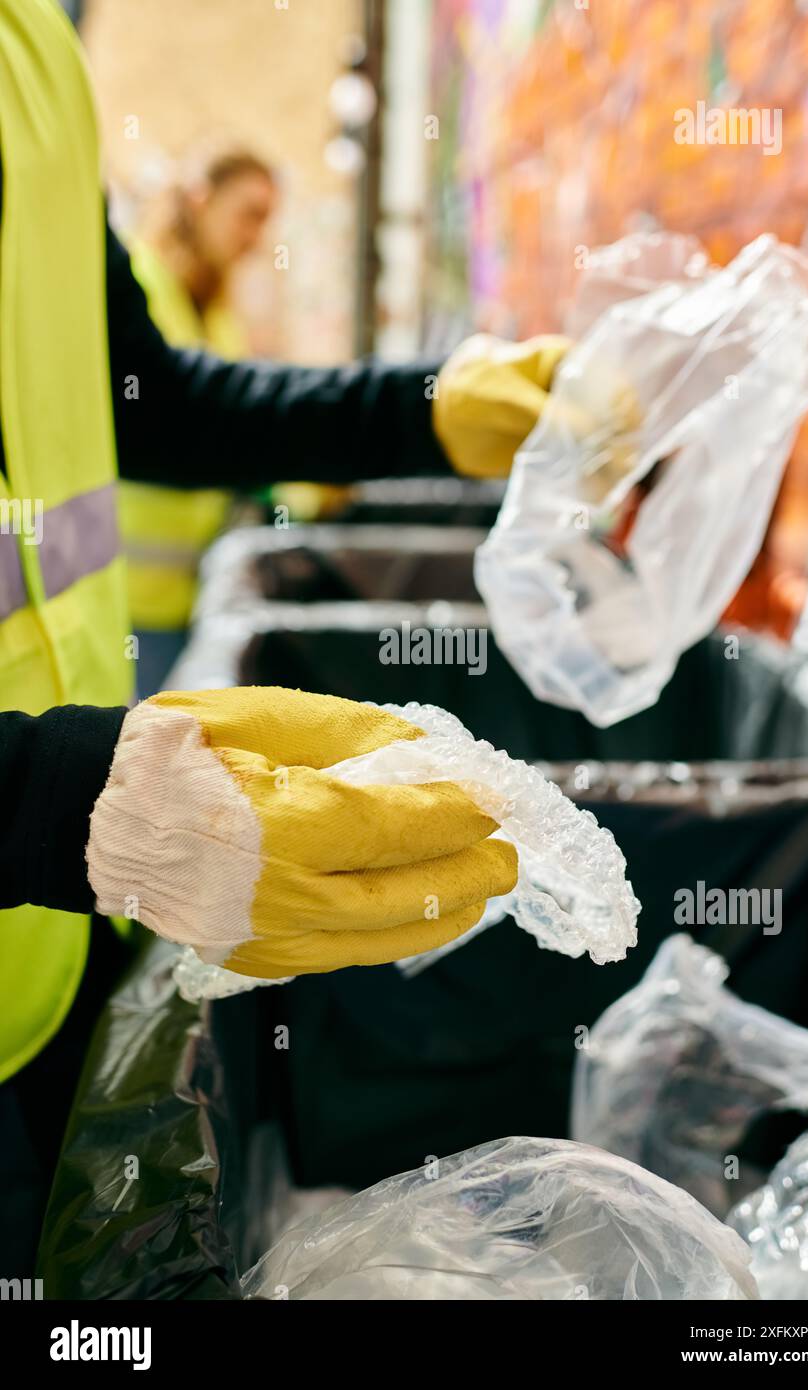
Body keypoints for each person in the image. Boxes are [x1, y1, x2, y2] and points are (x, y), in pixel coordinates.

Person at [0, 0, 570, 1269]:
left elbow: (149, 395)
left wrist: (420, 409)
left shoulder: (39, 50)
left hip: (48, 955)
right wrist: (52, 800)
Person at [119, 149, 278, 695]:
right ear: (200, 200)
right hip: (127, 601)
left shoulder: (213, 306)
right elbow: (189, 424)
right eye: (249, 213)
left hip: (185, 595)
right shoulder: (141, 293)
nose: (257, 236)